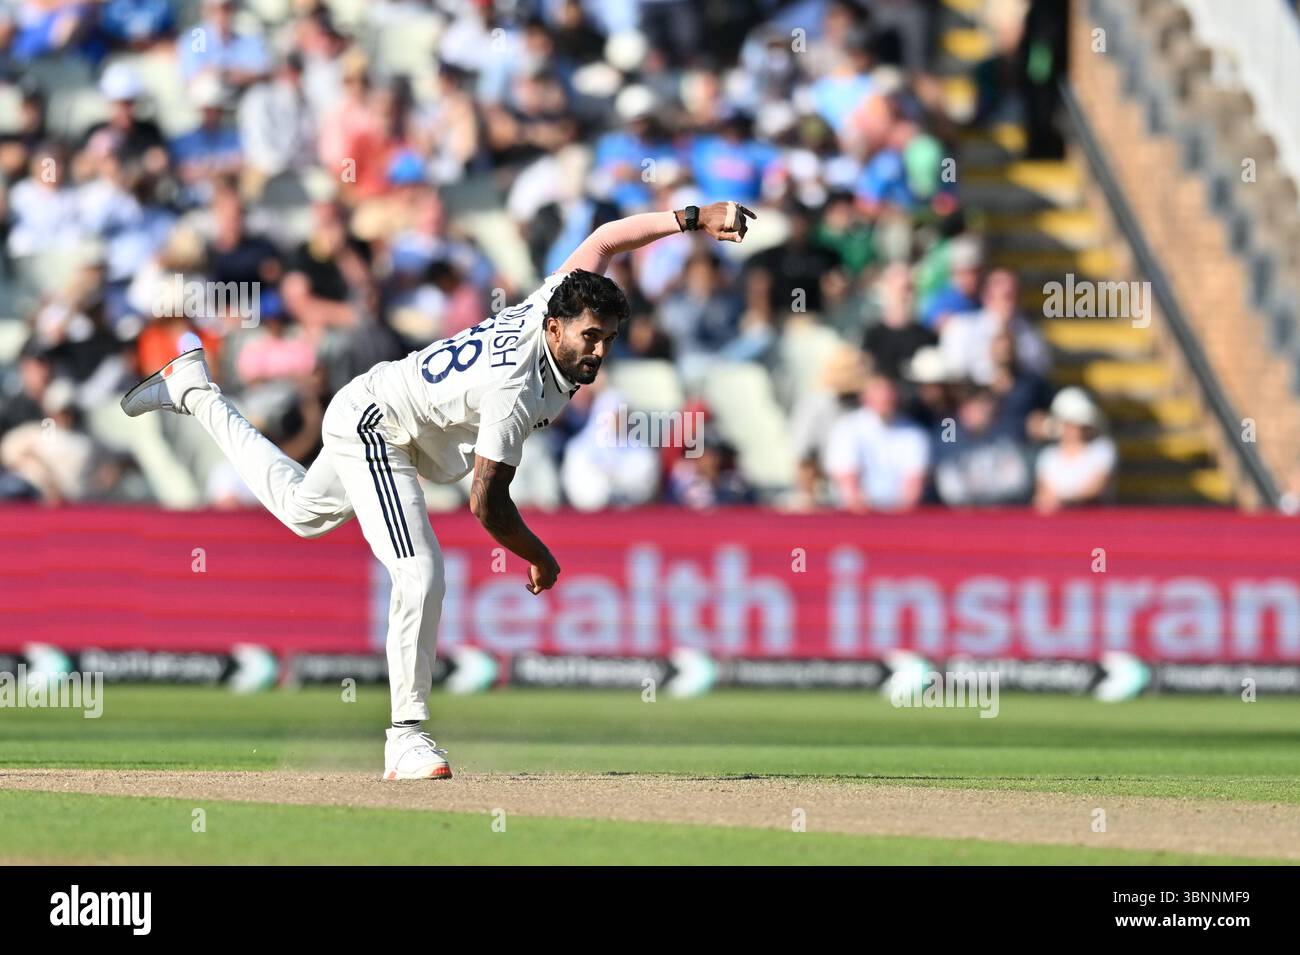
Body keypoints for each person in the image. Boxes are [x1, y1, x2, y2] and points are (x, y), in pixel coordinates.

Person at [119, 201, 755, 780]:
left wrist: (697, 218)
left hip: (379, 406)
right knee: (420, 572)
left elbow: (608, 238)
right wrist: (539, 554)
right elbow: (487, 502)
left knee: (302, 513)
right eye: (590, 337)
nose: (598, 353)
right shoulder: (516, 385)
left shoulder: (551, 302)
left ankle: (192, 388)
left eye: (609, 340)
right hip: (378, 424)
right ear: (557, 327)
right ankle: (405, 736)